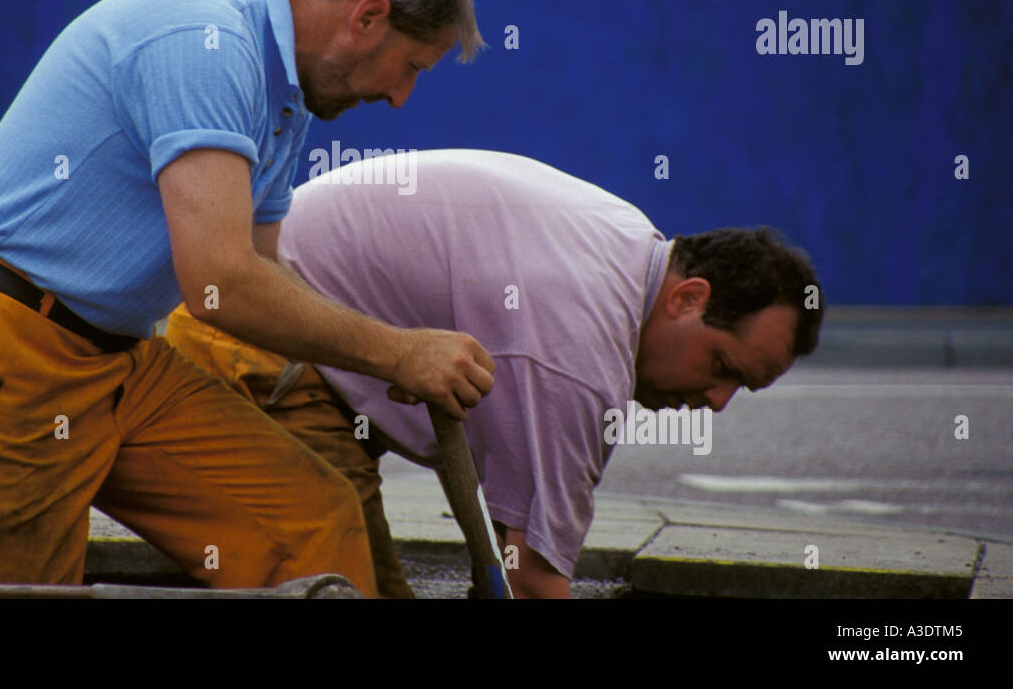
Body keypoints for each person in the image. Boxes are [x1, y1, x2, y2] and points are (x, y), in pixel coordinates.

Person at [0, 0, 495, 597]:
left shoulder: (284, 94)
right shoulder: (206, 40)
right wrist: (398, 351)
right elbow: (220, 284)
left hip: (115, 361)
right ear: (367, 17)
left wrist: (363, 390)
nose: (401, 97)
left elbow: (264, 281)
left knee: (311, 524)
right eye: (413, 67)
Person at [166, 149, 824, 598]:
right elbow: (536, 580)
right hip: (254, 348)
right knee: (344, 591)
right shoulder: (579, 354)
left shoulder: (625, 248)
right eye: (722, 368)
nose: (715, 402)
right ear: (688, 298)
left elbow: (505, 559)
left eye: (742, 389)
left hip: (289, 335)